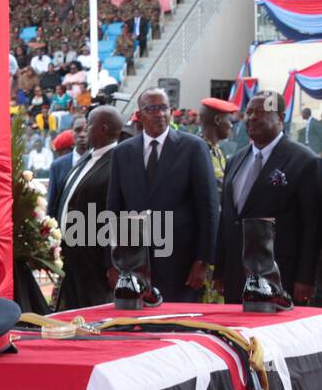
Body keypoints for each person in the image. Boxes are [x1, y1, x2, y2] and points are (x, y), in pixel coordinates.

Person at [105, 86, 218, 305]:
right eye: (152, 108)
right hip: (133, 265)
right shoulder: (122, 152)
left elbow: (209, 208)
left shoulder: (193, 148)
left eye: (164, 107)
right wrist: (110, 263)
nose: (160, 114)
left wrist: (203, 261)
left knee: (176, 328)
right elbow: (113, 209)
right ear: (139, 115)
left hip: (181, 265)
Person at [214, 91, 320, 308]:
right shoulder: (235, 160)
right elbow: (227, 219)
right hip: (237, 276)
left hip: (280, 278)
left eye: (261, 111)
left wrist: (306, 278)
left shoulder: (304, 161)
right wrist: (221, 270)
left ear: (280, 117)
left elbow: (313, 226)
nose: (252, 117)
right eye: (249, 112)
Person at [55, 105, 123, 310]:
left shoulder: (119, 160)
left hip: (95, 262)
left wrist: (112, 262)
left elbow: (118, 215)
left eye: (89, 125)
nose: (84, 132)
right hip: (72, 257)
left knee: (93, 315)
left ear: (103, 129)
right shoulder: (87, 157)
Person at [199, 97, 236, 193]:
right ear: (218, 120)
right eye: (229, 119)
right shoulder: (198, 150)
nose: (231, 125)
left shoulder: (215, 148)